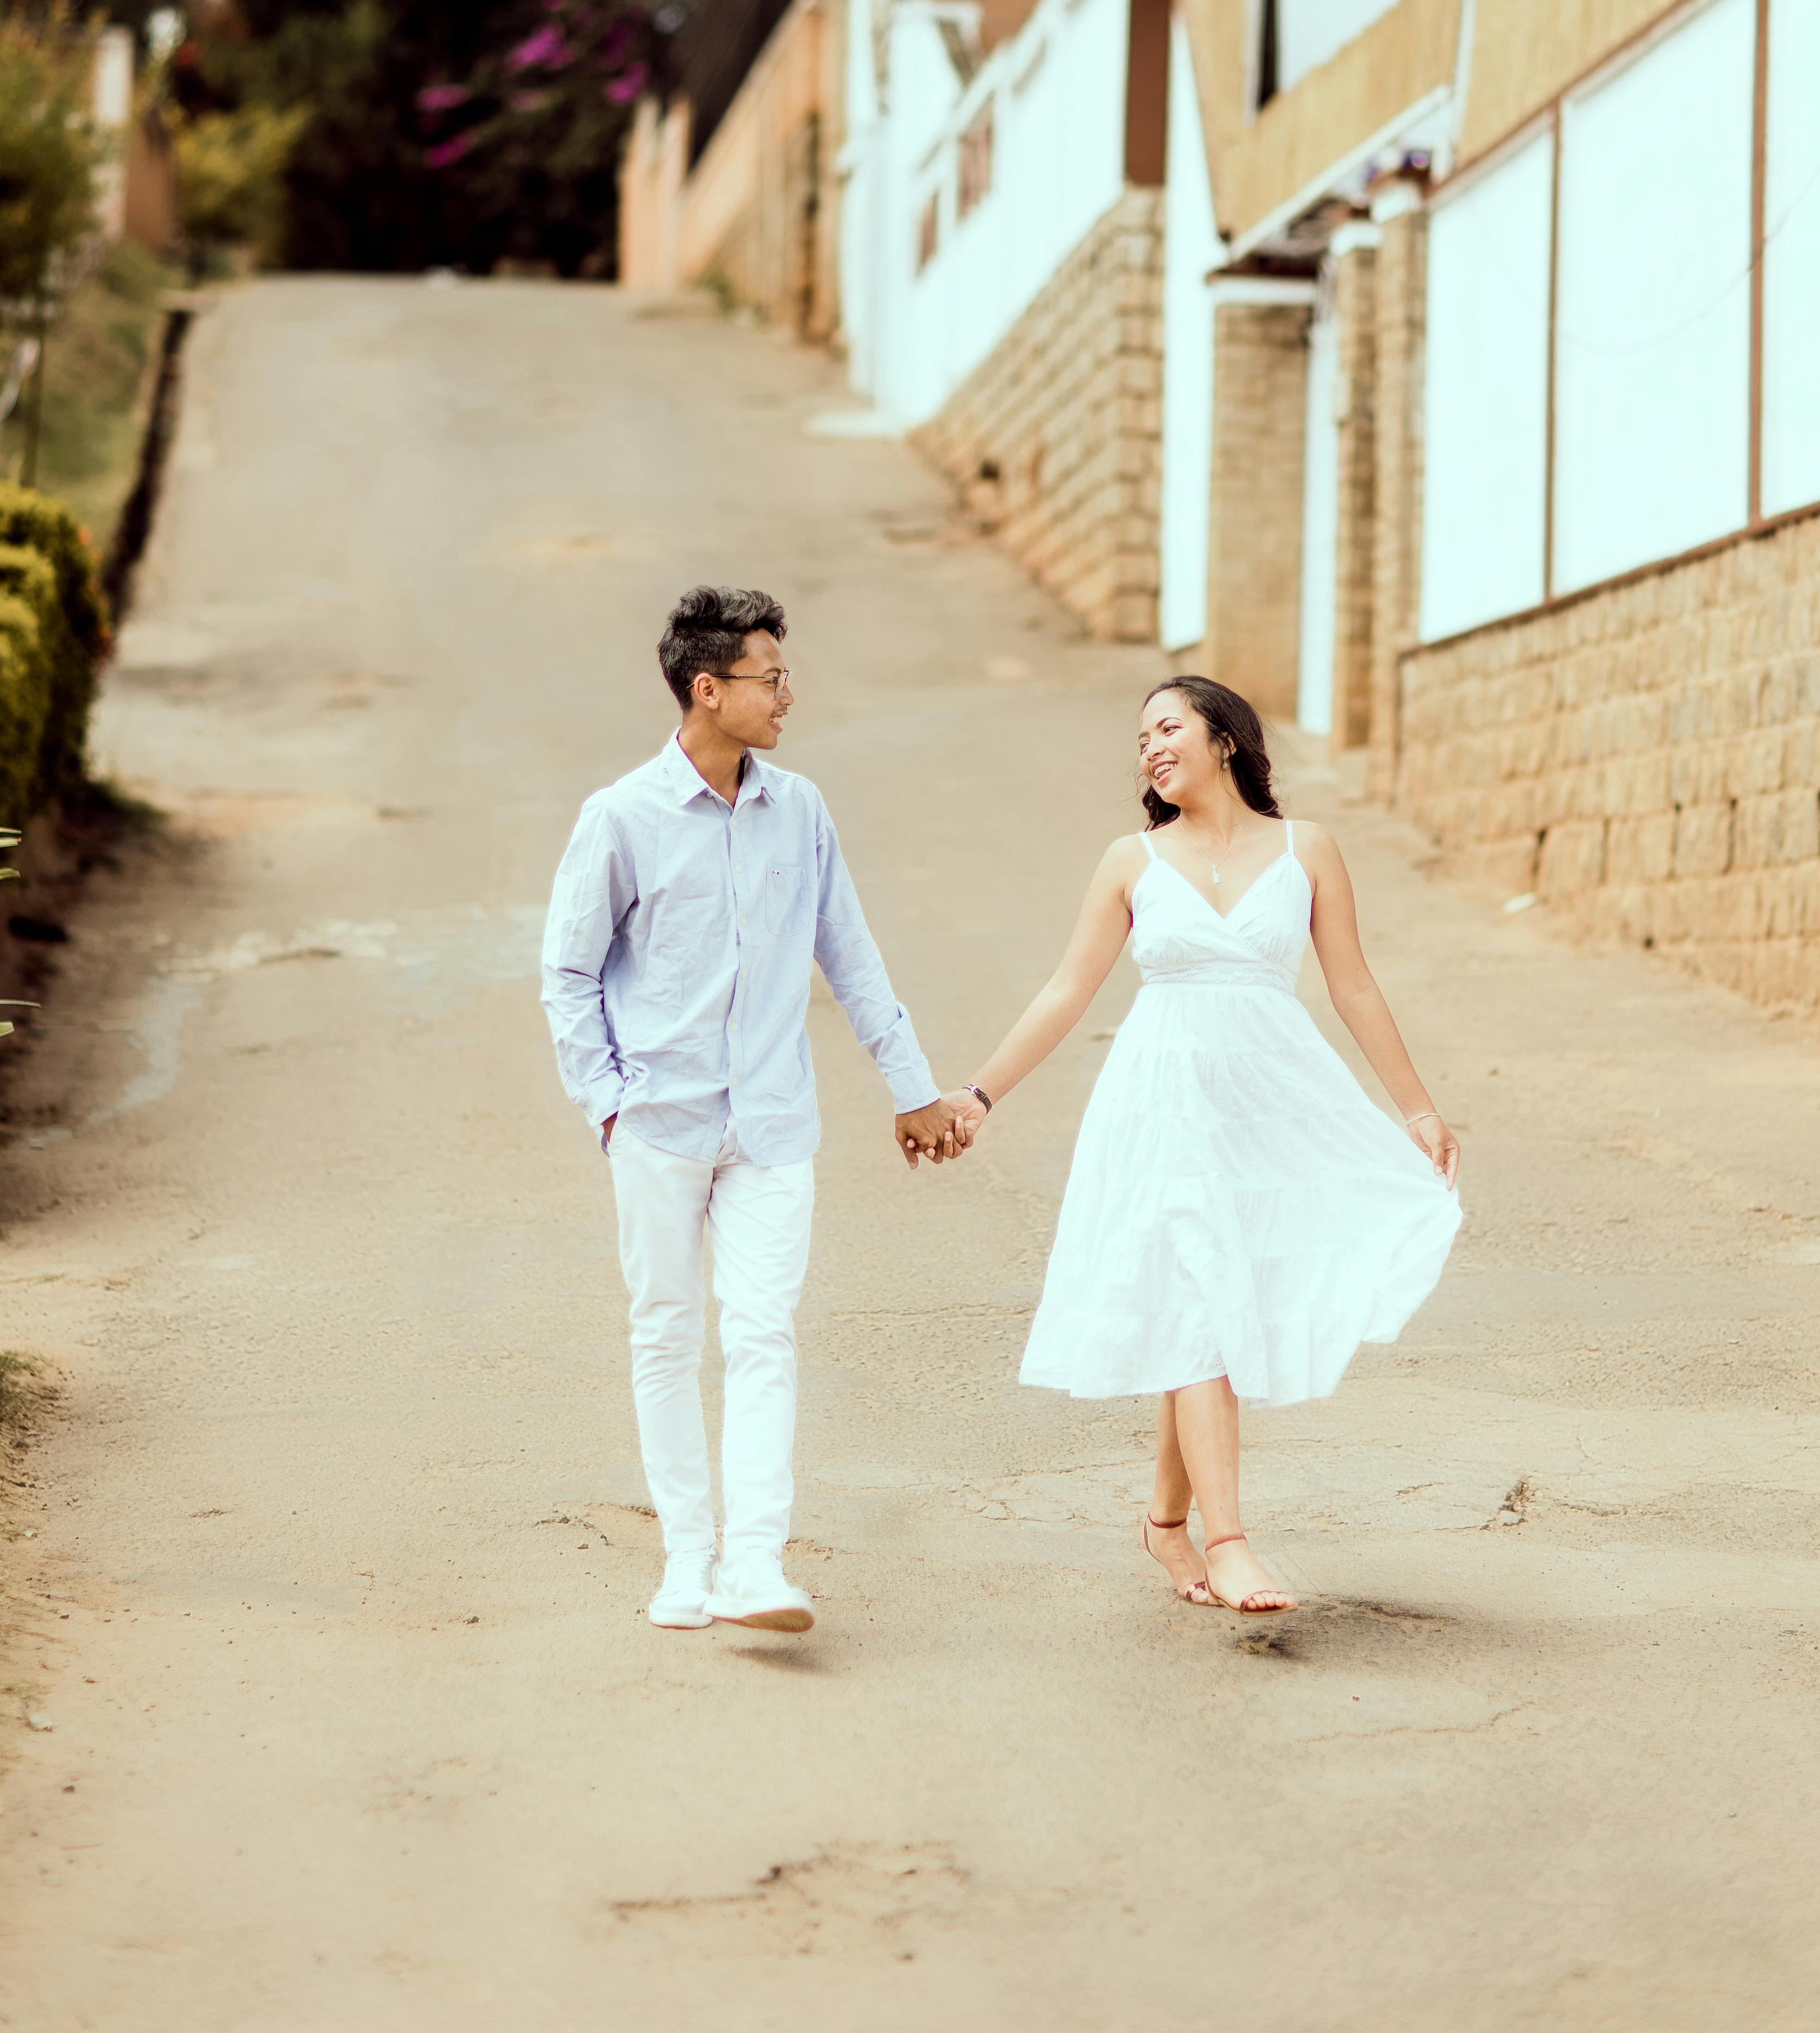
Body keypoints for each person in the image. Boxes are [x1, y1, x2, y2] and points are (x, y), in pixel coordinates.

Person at [939, 676, 1460, 1616]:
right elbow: (1066, 992)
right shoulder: (1129, 861)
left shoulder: (1310, 851)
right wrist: (978, 1095)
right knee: (1197, 1294)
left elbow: (1354, 988)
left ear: (1225, 740)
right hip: (1162, 1105)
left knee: (1215, 1301)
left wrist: (1416, 1110)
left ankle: (1165, 1523)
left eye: (1167, 727)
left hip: (1269, 1104)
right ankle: (1229, 1542)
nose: (1148, 747)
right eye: (1140, 737)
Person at [540, 584, 975, 1637]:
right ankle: (686, 1559)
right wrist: (610, 1105)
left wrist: (911, 1084)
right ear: (707, 689)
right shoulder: (622, 818)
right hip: (660, 1124)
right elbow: (568, 972)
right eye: (770, 678)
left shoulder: (802, 812)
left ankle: (755, 1565)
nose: (789, 695)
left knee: (765, 1336)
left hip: (774, 1129)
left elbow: (851, 956)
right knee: (666, 1334)